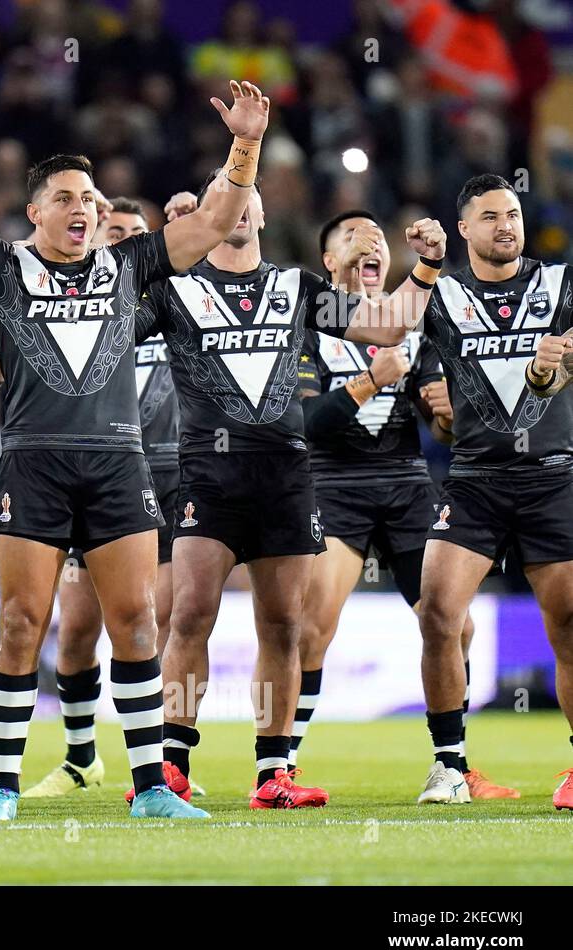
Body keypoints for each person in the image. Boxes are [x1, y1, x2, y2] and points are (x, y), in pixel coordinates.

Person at [0, 64, 272, 823]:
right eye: (64, 197)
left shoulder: (128, 264)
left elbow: (208, 223)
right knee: (19, 623)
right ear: (33, 210)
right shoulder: (1, 266)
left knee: (136, 620)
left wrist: (245, 149)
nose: (81, 207)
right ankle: (3, 785)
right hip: (34, 461)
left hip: (116, 462)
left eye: (89, 198)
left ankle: (153, 788)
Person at [146, 172, 445, 810]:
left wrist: (427, 269)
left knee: (282, 627)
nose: (243, 209)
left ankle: (272, 774)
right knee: (191, 616)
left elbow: (388, 329)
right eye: (230, 200)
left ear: (260, 216)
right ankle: (169, 765)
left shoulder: (298, 288)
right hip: (209, 476)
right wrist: (165, 243)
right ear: (212, 214)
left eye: (252, 201)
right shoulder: (176, 291)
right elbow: (109, 321)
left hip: (287, 478)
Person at [290, 210, 517, 800]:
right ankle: (280, 768)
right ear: (328, 263)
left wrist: (447, 415)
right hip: (333, 485)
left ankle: (452, 766)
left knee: (454, 624)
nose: (369, 243)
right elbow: (308, 425)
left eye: (375, 238)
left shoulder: (415, 325)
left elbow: (440, 429)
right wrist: (370, 381)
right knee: (312, 627)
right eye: (351, 237)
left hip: (408, 485)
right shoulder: (309, 321)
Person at [413, 174, 573, 810]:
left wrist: (556, 368)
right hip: (476, 479)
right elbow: (437, 409)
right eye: (490, 216)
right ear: (465, 230)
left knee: (568, 625)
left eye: (513, 213)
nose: (506, 225)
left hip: (555, 475)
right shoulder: (441, 298)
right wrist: (438, 408)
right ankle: (449, 766)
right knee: (436, 612)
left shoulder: (561, 285)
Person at [24, 197, 189, 797]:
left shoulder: (175, 301)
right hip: (90, 473)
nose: (119, 243)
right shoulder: (84, 311)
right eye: (110, 233)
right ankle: (80, 757)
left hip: (170, 477)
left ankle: (164, 764)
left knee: (153, 618)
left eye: (132, 236)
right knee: (74, 631)